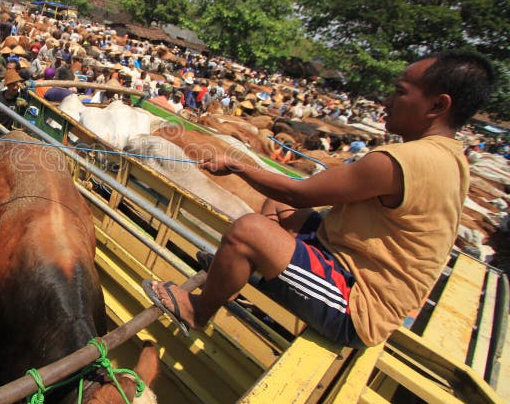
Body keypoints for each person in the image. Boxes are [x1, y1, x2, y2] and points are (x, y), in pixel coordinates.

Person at [143, 52, 496, 348]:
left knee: (248, 230)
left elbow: (297, 190)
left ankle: (199, 311)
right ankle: (245, 268)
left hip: (359, 301)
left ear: (438, 105)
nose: (386, 102)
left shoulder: (401, 162)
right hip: (344, 253)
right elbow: (288, 200)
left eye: (399, 92)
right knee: (276, 209)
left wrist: (236, 165)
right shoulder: (450, 156)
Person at [0, 68, 24, 137]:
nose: (15, 87)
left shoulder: (20, 99)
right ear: (7, 85)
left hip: (9, 137)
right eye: (13, 85)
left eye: (17, 84)